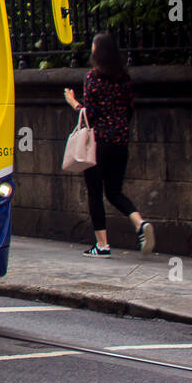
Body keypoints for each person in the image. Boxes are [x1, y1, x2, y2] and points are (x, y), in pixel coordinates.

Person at [65, 32, 155, 257]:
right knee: (114, 191)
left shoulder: (92, 77)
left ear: (99, 52)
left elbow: (90, 115)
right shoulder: (124, 78)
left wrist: (73, 102)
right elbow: (129, 110)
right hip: (120, 142)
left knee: (95, 193)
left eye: (94, 48)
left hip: (97, 144)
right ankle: (140, 223)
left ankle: (102, 245)